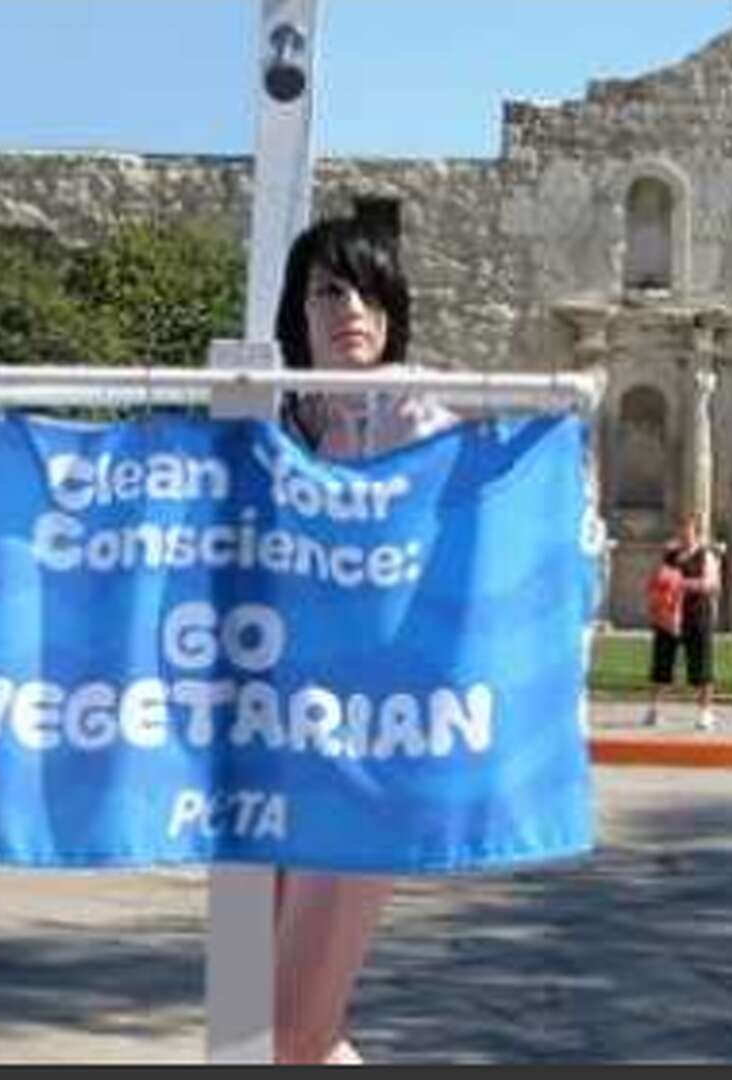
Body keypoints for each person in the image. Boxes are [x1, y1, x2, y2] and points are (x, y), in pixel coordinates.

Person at [271, 216, 456, 1064]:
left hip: (366, 745)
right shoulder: (271, 418)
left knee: (290, 1024)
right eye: (328, 290)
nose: (352, 307)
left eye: (370, 290)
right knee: (267, 1022)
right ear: (296, 312)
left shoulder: (411, 413)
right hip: (268, 744)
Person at [641, 511, 722, 732]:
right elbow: (658, 579)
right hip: (668, 616)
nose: (684, 534)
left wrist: (680, 582)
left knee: (702, 665)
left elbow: (712, 584)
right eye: (682, 529)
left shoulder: (706, 555)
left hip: (696, 615)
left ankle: (705, 713)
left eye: (688, 529)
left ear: (696, 532)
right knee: (661, 662)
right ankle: (653, 710)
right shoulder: (670, 555)